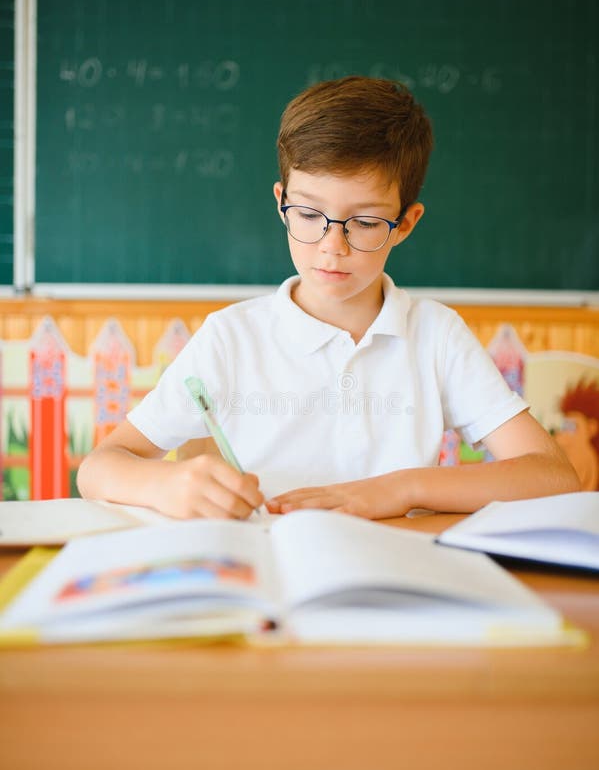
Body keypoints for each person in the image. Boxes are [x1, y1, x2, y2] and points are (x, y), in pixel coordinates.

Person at [77, 76, 580, 519]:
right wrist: (164, 483)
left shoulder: (436, 335)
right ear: (281, 203)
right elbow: (99, 468)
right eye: (309, 214)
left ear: (405, 223)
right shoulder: (232, 337)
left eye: (363, 222)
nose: (331, 246)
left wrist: (399, 489)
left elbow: (553, 476)